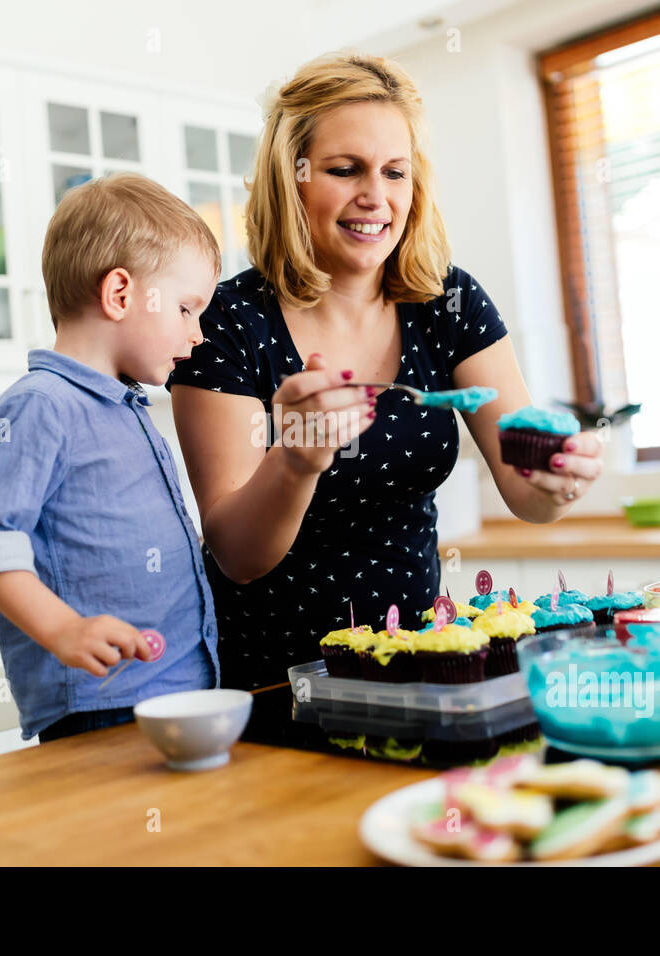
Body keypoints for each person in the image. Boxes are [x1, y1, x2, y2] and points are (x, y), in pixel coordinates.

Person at [167, 53, 605, 691]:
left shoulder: (448, 302)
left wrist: (558, 480)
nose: (376, 196)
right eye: (346, 170)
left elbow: (525, 490)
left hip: (425, 666)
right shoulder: (228, 319)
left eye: (395, 172)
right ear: (292, 179)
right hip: (278, 684)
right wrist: (295, 458)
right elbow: (236, 555)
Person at [0, 172, 222, 742]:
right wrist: (65, 630)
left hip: (177, 689)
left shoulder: (127, 407)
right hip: (104, 704)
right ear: (121, 294)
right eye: (187, 309)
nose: (199, 334)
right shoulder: (41, 406)